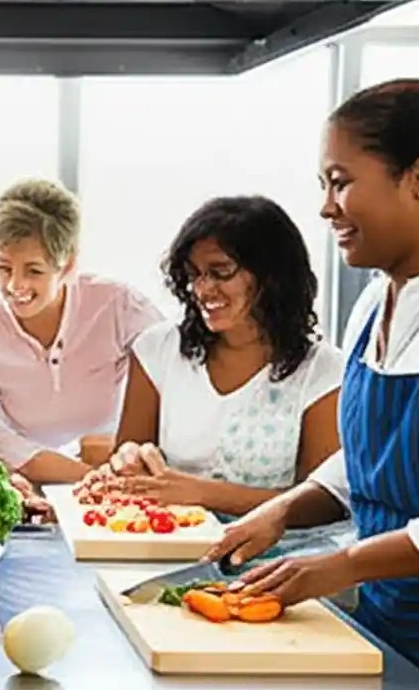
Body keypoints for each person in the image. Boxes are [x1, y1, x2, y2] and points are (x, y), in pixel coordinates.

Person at [205, 79, 419, 690]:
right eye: (323, 185)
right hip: (388, 642)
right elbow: (376, 458)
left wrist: (339, 565)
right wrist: (285, 509)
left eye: (341, 181)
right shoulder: (373, 303)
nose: (326, 207)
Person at [107, 196, 346, 553]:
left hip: (279, 558)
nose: (202, 289)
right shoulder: (157, 349)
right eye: (194, 275)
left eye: (220, 272)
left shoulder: (323, 372)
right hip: (167, 549)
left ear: (271, 277)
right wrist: (128, 457)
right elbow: (129, 452)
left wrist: (201, 493)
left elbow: (322, 503)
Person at [0, 178, 162, 483]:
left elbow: (174, 366)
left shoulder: (118, 305)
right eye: (4, 268)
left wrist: (129, 452)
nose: (15, 286)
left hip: (124, 464)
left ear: (67, 264)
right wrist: (91, 479)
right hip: (37, 478)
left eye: (33, 271)